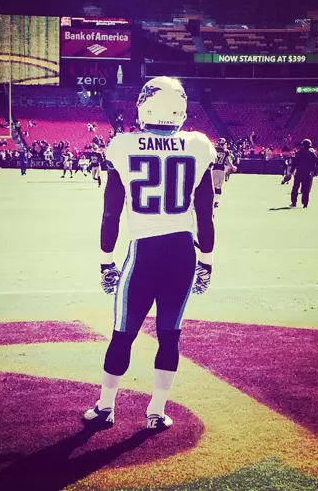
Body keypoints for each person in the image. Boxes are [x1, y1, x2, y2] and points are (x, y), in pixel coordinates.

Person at [83, 76, 216, 431]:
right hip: (183, 254)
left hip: (143, 253)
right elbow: (205, 213)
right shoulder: (199, 145)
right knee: (170, 334)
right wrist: (207, 261)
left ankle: (106, 406)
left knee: (123, 333)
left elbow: (111, 213)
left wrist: (105, 261)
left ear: (145, 104)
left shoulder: (123, 144)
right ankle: (156, 411)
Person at [290, 139, 318, 209]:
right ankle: (305, 204)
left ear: (303, 145)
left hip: (299, 172)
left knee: (295, 188)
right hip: (307, 173)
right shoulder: (312, 153)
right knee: (306, 189)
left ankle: (294, 202)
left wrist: (290, 172)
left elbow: (294, 164)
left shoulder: (298, 153)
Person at [212, 138, 236, 207]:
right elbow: (227, 161)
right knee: (219, 186)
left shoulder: (213, 150)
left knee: (214, 185)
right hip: (221, 170)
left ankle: (214, 200)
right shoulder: (226, 151)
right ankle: (216, 201)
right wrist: (232, 167)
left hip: (214, 169)